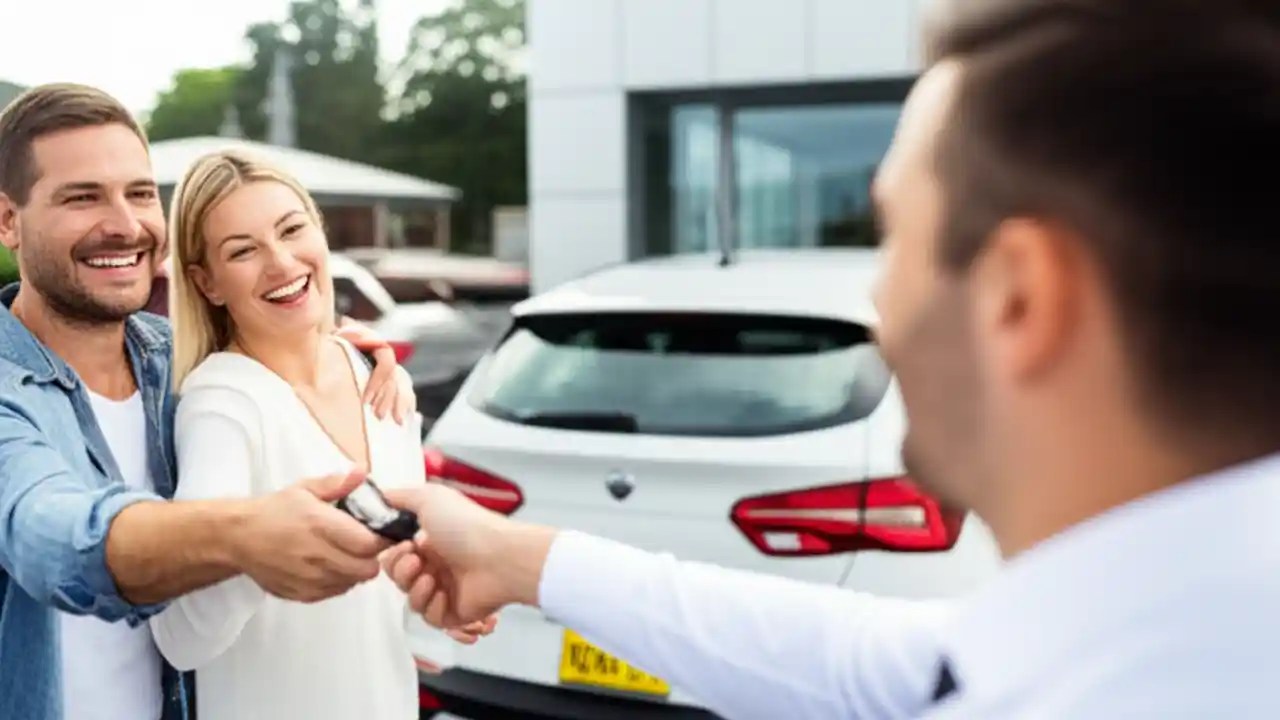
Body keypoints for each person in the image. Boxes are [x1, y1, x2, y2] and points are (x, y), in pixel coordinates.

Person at [381, 1, 1280, 718]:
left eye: (895, 240)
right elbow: (875, 668)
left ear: (1020, 296)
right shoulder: (1171, 634)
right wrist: (521, 557)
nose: (880, 302)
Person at [0, 83, 420, 720]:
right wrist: (247, 536)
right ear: (8, 221)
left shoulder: (174, 361)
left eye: (140, 193)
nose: (124, 223)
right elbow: (50, 536)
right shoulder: (12, 391)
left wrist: (350, 350)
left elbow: (272, 333)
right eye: (82, 197)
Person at [148, 150, 494, 719]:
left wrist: (439, 596)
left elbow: (376, 598)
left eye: (291, 229)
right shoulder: (225, 403)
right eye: (242, 251)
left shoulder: (376, 374)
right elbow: (183, 635)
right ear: (206, 282)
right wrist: (261, 548)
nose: (281, 263)